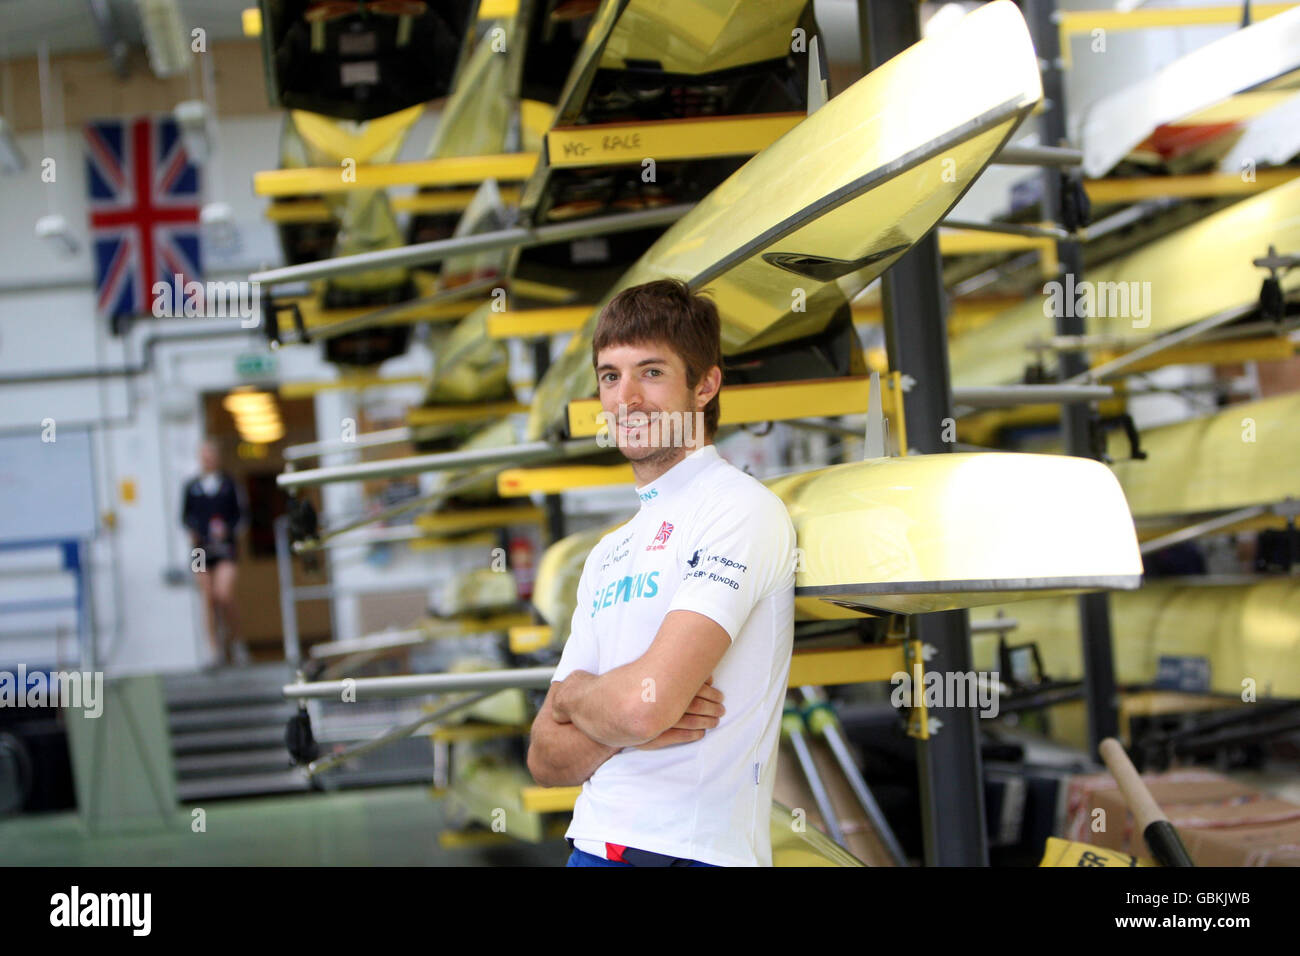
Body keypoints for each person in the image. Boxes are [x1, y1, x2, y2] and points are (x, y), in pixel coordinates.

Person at [526, 279, 797, 867]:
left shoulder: (738, 510)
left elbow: (642, 708)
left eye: (651, 373)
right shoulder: (607, 554)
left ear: (705, 385)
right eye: (609, 375)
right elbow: (546, 758)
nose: (626, 398)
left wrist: (580, 700)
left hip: (685, 853)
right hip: (594, 845)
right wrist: (614, 712)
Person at [181, 439, 245, 668]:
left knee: (223, 595)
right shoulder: (192, 487)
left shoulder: (229, 484)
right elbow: (185, 517)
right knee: (207, 597)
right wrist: (195, 531)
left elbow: (239, 516)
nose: (207, 459)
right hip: (200, 550)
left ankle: (236, 641)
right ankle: (213, 650)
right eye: (204, 455)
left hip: (225, 548)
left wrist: (226, 529)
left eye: (211, 455)